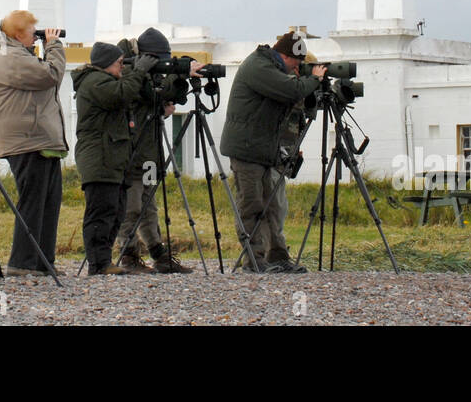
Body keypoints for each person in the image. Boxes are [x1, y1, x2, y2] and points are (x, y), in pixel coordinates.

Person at [219, 31, 325, 273]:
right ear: (284, 55)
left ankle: (277, 256)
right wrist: (315, 80)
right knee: (252, 204)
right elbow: (290, 91)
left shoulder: (273, 68)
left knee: (272, 206)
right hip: (246, 149)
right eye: (295, 63)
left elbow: (292, 101)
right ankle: (254, 260)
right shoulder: (258, 66)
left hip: (264, 148)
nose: (296, 68)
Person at [0, 10, 67, 277]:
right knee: (33, 202)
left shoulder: (19, 56)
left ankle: (43, 261)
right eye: (31, 30)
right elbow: (51, 75)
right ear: (17, 34)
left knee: (49, 200)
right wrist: (54, 46)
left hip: (38, 138)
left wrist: (46, 48)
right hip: (26, 140)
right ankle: (22, 263)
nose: (37, 34)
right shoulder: (10, 58)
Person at [115, 27, 198, 274]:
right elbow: (144, 94)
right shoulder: (130, 71)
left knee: (149, 205)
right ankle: (128, 255)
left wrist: (164, 101)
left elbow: (158, 96)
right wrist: (178, 74)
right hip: (132, 153)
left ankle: (157, 252)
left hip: (150, 154)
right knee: (131, 207)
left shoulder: (146, 73)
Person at [72, 42, 150, 275]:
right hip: (99, 158)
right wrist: (139, 71)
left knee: (115, 211)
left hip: (113, 158)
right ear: (106, 63)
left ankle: (104, 261)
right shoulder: (94, 82)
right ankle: (99, 264)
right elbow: (122, 94)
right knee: (101, 212)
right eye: (119, 63)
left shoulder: (106, 81)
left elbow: (127, 94)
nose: (122, 67)